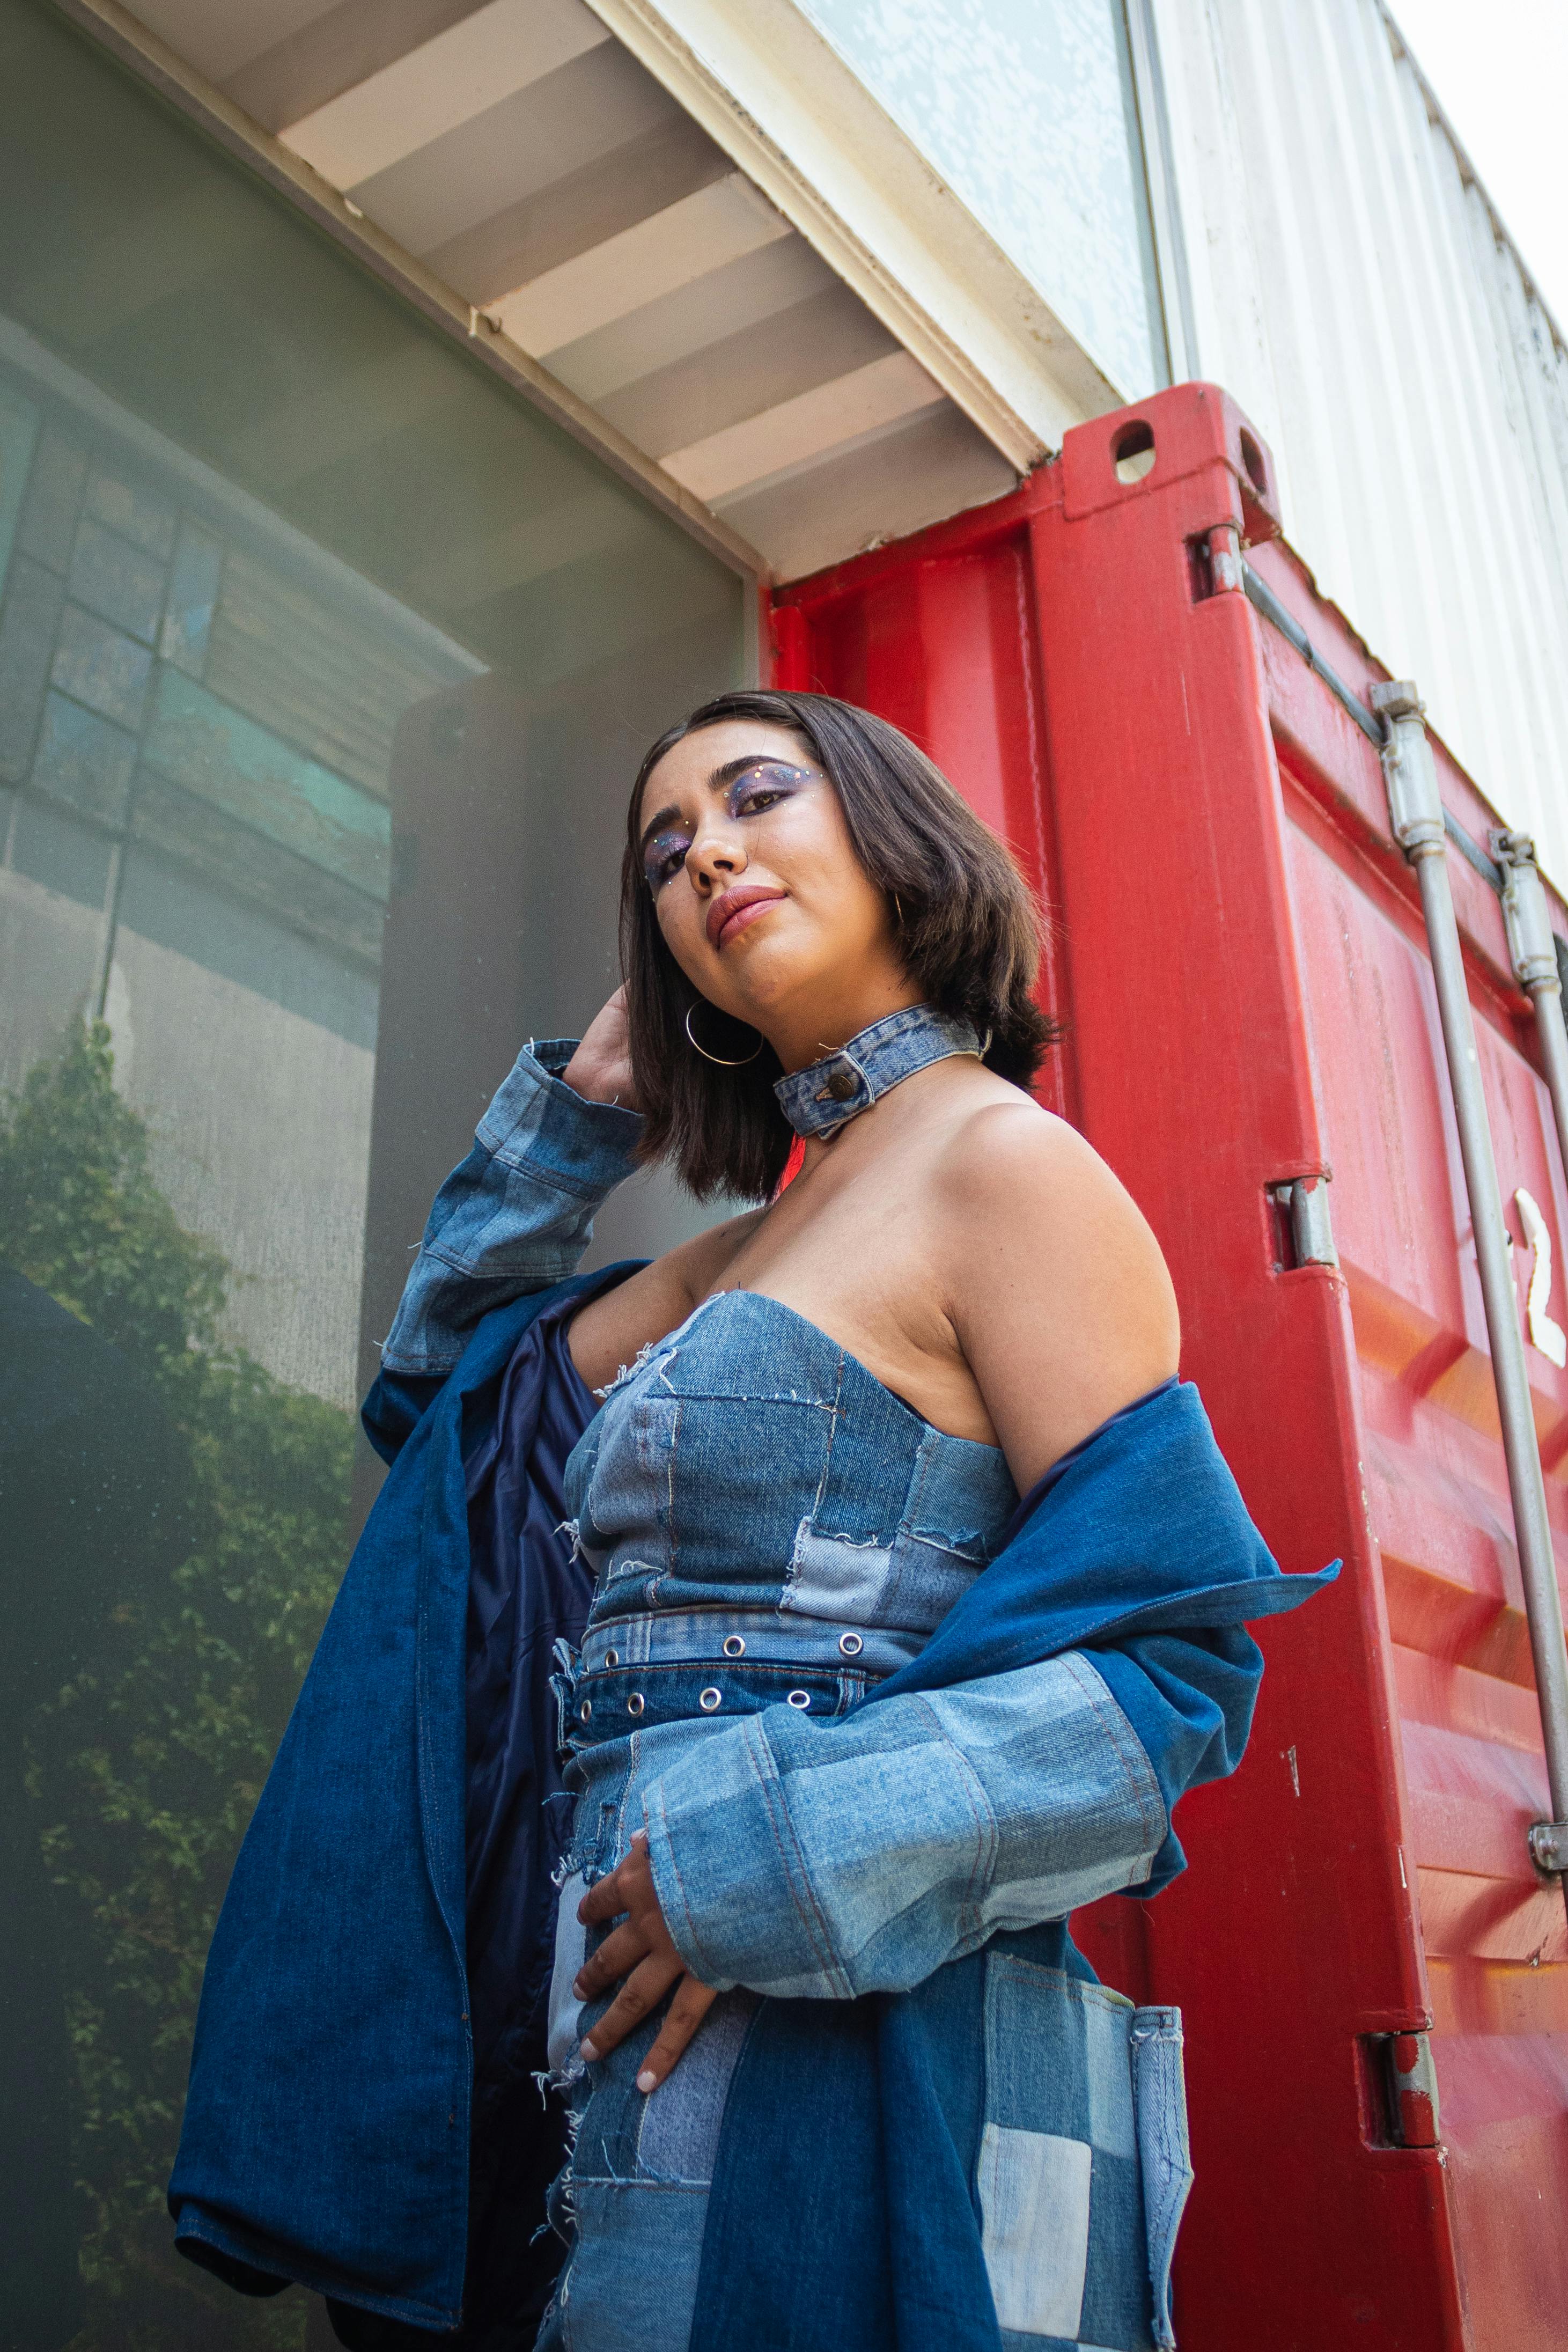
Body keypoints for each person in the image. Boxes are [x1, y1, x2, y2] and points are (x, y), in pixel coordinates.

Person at [168, 688, 1332, 2350]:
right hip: (557, 2038)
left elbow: (1173, 1678)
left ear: (889, 828)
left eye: (758, 793)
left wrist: (767, 1862)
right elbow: (440, 1421)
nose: (706, 849)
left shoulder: (1004, 1166)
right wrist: (577, 1119)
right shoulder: (727, 1262)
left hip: (837, 2041)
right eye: (663, 853)